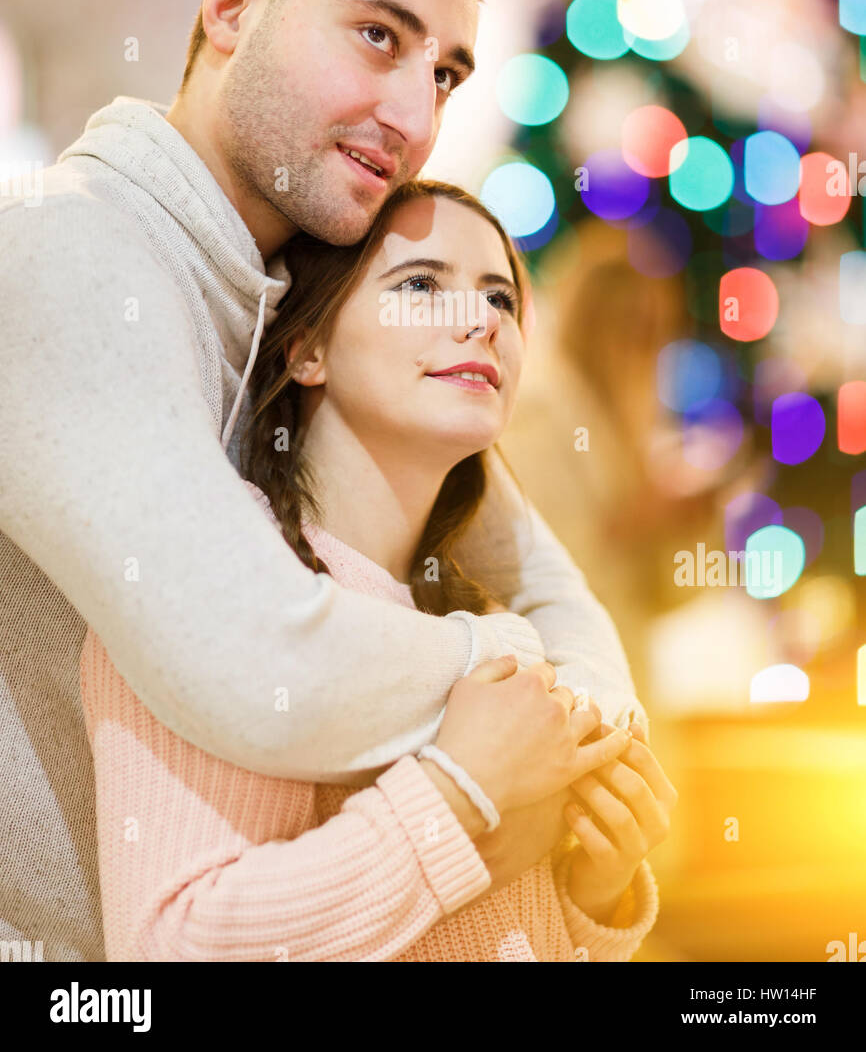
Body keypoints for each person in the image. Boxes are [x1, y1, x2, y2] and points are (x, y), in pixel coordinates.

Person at [0, 0, 644, 962]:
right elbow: (256, 656)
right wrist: (511, 717)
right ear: (233, 7)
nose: (410, 113)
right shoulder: (72, 257)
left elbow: (539, 577)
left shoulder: (283, 278)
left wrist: (579, 760)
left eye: (443, 74)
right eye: (377, 36)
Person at [83, 180, 675, 961]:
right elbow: (174, 944)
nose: (480, 321)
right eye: (422, 285)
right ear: (306, 348)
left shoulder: (492, 621)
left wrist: (591, 893)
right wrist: (455, 795)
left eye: (500, 298)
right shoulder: (218, 586)